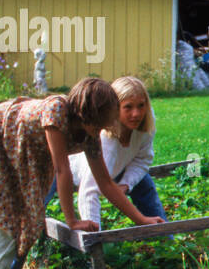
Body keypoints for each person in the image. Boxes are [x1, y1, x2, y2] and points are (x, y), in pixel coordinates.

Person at [0, 78, 165, 269]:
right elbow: (62, 169)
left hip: (10, 153)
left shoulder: (89, 132)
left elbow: (106, 183)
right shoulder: (57, 111)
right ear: (92, 113)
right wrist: (72, 222)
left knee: (9, 224)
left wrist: (141, 218)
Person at [66, 76, 167, 228]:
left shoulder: (145, 124)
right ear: (114, 108)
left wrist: (126, 183)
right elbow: (89, 191)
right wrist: (95, 235)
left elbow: (143, 159)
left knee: (146, 189)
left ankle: (165, 237)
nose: (136, 114)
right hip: (67, 170)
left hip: (120, 169)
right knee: (40, 205)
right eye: (128, 107)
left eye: (141, 105)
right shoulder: (104, 139)